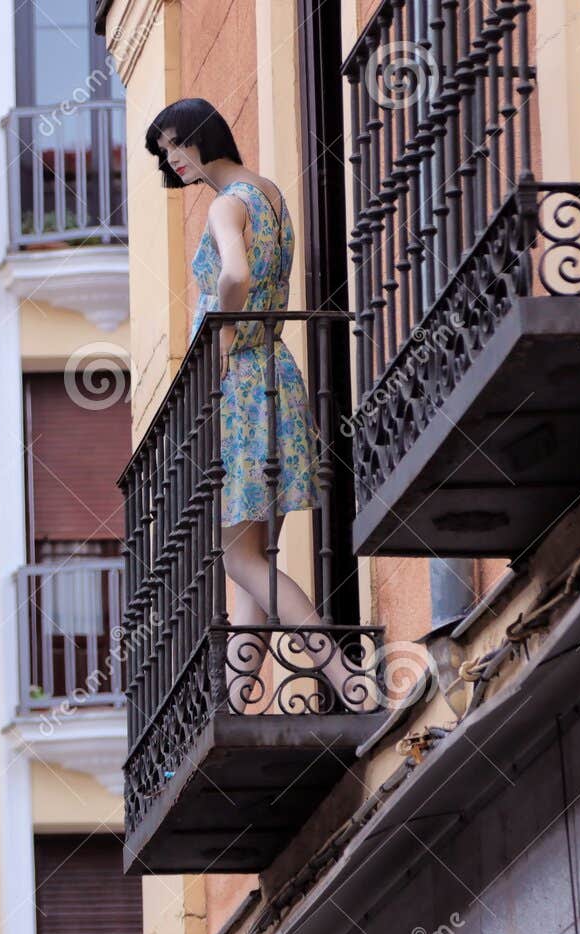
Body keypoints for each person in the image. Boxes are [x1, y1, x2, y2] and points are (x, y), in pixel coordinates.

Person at [146, 97, 368, 713]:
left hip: (240, 386)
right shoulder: (270, 195)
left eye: (174, 143)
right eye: (165, 151)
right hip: (275, 376)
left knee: (238, 556)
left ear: (201, 135)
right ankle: (238, 701)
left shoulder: (225, 204)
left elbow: (235, 276)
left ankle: (345, 675)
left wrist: (217, 340)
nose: (172, 158)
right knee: (253, 565)